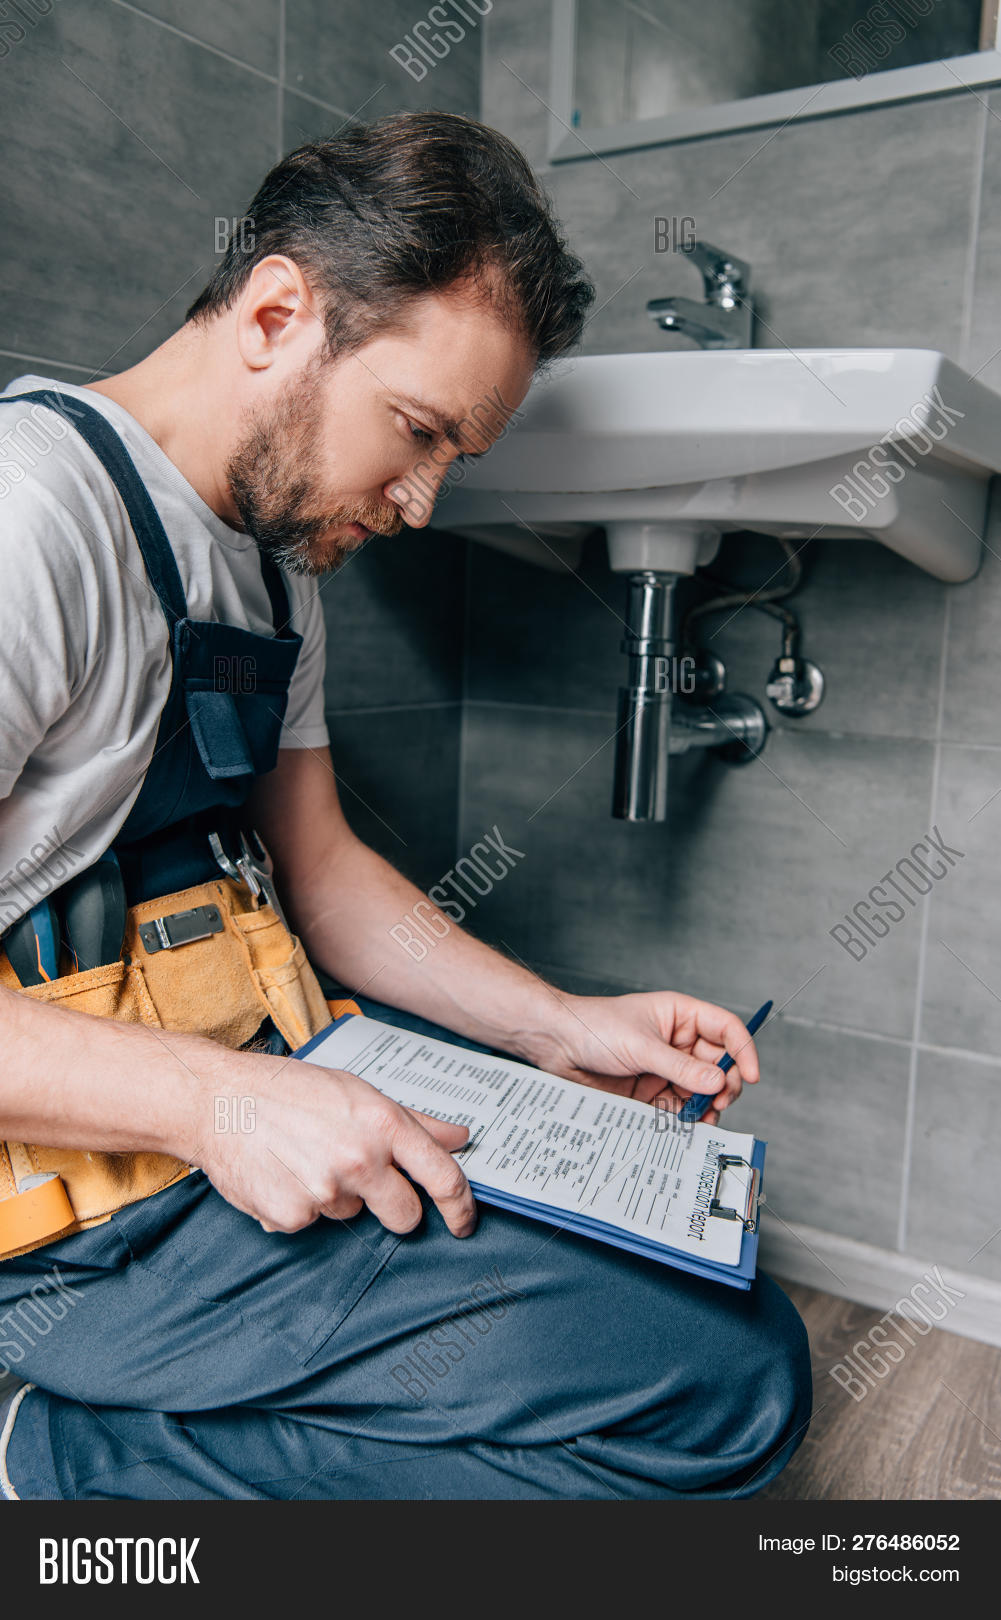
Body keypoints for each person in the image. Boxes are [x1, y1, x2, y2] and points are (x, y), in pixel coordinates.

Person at [0, 111, 810, 1500]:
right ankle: (63, 1459)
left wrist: (558, 1023)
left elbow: (322, 874)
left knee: (723, 1323)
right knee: (723, 1399)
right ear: (275, 313)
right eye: (417, 433)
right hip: (71, 1219)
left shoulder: (268, 566)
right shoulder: (32, 520)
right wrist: (216, 1107)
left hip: (242, 1100)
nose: (423, 504)